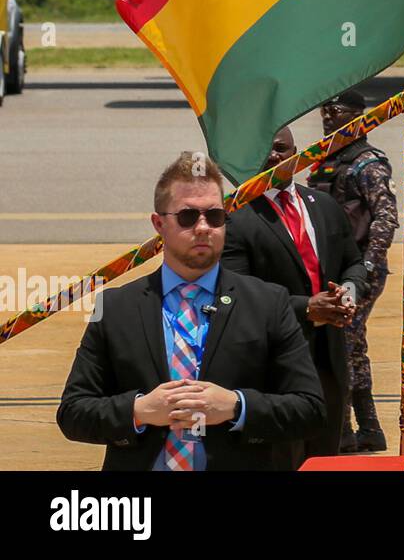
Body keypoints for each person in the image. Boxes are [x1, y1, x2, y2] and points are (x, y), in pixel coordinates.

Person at [57, 152, 325, 470]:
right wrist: (139, 410)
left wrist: (236, 407)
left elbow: (310, 410)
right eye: (187, 217)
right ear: (159, 224)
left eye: (214, 216)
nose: (202, 228)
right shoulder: (115, 308)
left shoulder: (268, 303)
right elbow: (73, 413)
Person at [222, 126, 369, 463]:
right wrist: (306, 308)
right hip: (272, 367)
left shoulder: (324, 205)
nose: (273, 157)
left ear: (296, 153)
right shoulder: (236, 216)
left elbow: (354, 263)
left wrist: (346, 293)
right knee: (282, 458)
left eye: (280, 149)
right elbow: (237, 293)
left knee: (324, 458)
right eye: (264, 150)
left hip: (327, 362)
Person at [306, 87, 398, 453]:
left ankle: (346, 431)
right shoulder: (323, 159)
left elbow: (385, 219)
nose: (329, 117)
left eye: (338, 111)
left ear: (359, 117)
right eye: (326, 110)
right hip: (333, 267)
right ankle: (364, 429)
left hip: (360, 269)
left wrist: (367, 268)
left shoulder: (368, 163)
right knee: (346, 344)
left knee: (344, 343)